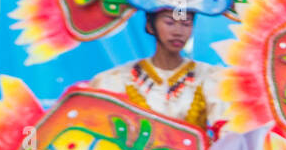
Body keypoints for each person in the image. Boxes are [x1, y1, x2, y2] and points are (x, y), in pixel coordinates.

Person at [90, 9, 225, 131]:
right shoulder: (119, 78)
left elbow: (226, 133)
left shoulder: (208, 76)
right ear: (150, 25)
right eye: (169, 23)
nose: (178, 32)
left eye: (186, 24)